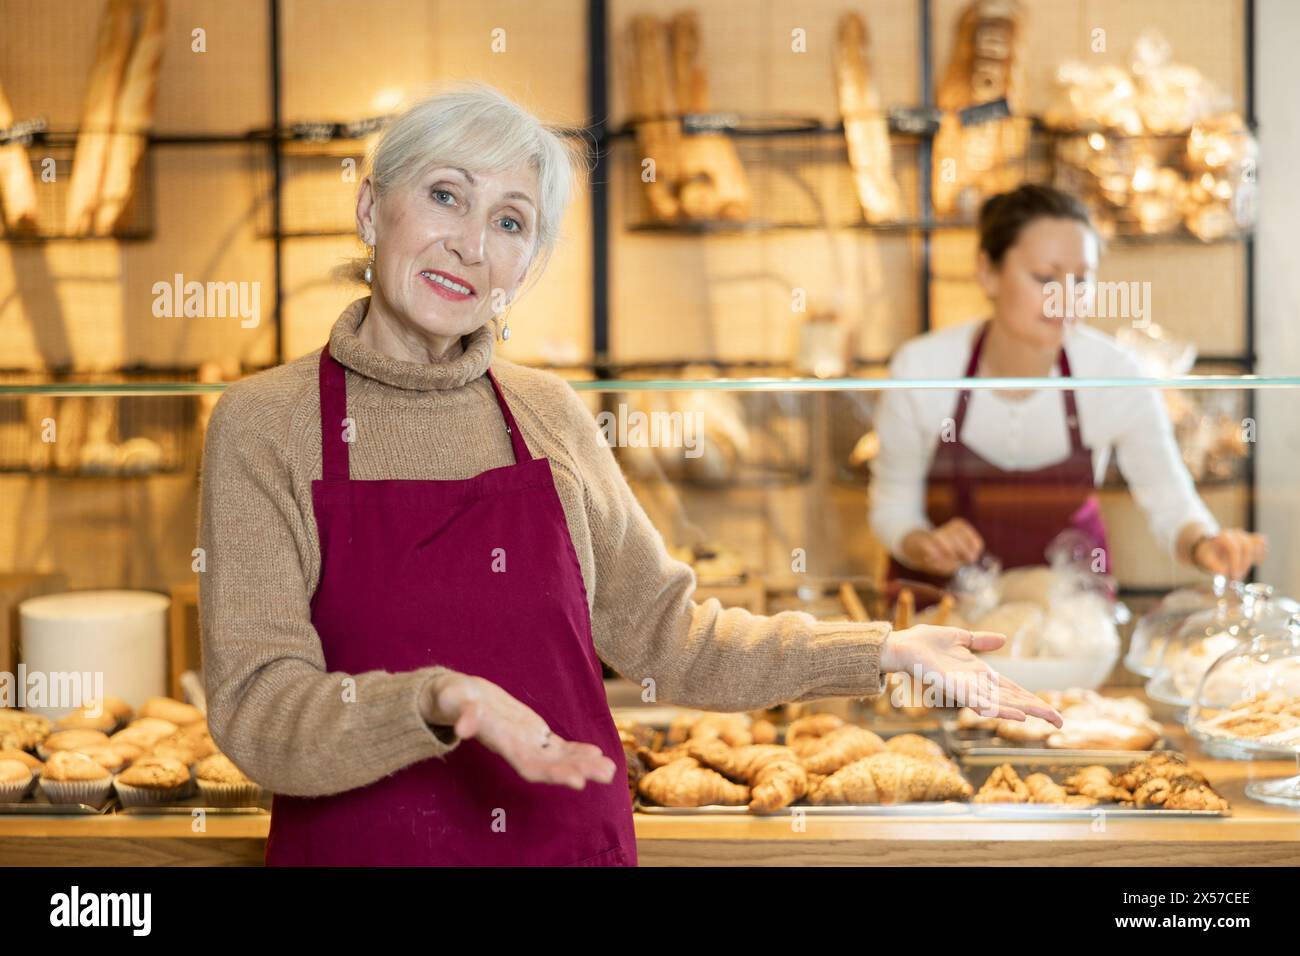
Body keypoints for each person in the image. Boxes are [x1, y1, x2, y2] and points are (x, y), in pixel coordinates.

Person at [198, 84, 1060, 867]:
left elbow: (671, 637)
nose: (469, 243)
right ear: (369, 207)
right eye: (444, 194)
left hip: (565, 848)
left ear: (526, 265)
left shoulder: (548, 413)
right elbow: (258, 710)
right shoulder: (264, 425)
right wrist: (438, 701)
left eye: (510, 221)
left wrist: (881, 649)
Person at [870, 184, 1266, 587]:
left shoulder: (1113, 372)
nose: (1066, 298)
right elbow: (892, 506)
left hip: (1071, 621)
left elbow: (1169, 499)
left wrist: (1205, 543)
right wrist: (921, 543)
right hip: (939, 615)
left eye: (1081, 279)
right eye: (1045, 277)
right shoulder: (923, 367)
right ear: (987, 272)